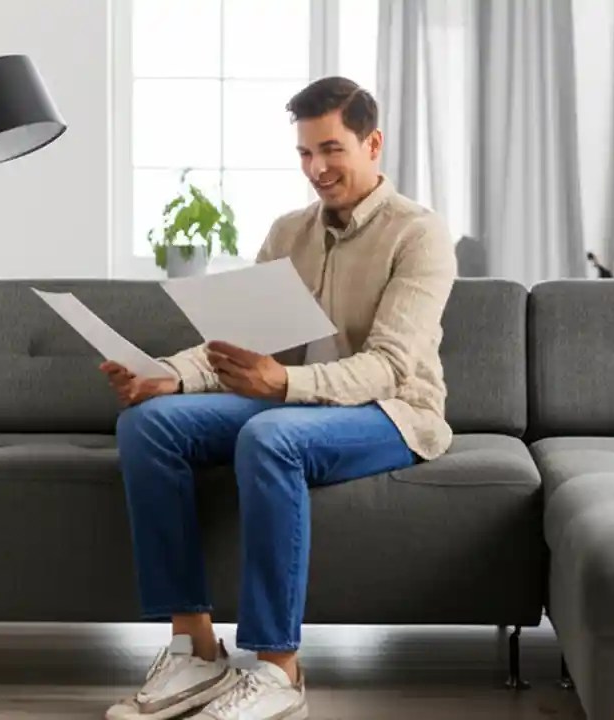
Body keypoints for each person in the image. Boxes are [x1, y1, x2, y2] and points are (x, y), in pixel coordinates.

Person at [103, 76, 456, 720]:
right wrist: (169, 375)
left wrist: (284, 385)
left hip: (391, 413)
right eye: (304, 153)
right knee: (150, 424)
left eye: (331, 149)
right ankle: (193, 647)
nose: (316, 169)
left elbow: (389, 366)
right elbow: (241, 344)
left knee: (268, 435)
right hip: (291, 403)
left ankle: (276, 670)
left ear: (372, 143)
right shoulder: (287, 231)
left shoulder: (420, 235)